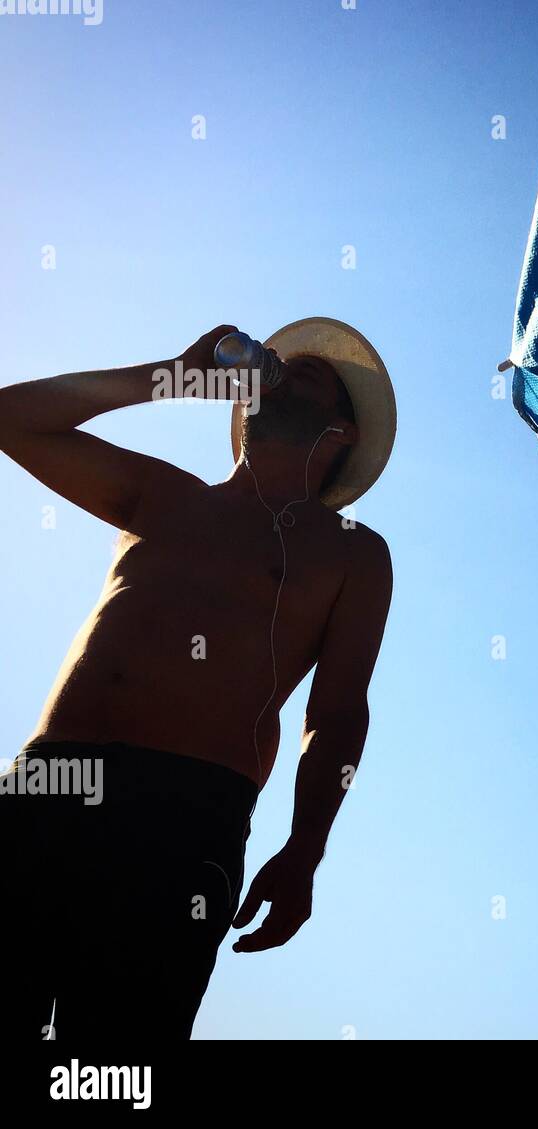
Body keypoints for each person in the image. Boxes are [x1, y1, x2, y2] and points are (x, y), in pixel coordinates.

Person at [0, 317, 397, 1039]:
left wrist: (306, 848)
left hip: (183, 812)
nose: (289, 365)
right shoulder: (166, 494)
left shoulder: (352, 552)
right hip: (44, 782)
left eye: (318, 374)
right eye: (284, 362)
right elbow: (10, 418)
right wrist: (174, 376)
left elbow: (337, 713)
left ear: (341, 431)